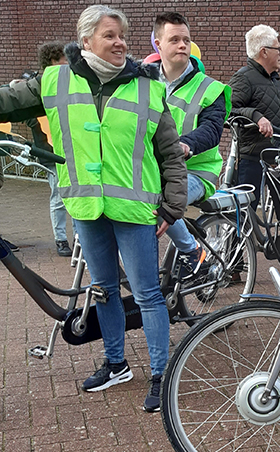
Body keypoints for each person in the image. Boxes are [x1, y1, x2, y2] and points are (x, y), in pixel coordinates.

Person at [0, 5, 187, 413]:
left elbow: (171, 154)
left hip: (136, 211)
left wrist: (173, 206)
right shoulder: (53, 80)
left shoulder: (148, 86)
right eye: (110, 35)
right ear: (86, 41)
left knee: (147, 293)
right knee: (103, 290)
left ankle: (161, 373)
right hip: (86, 207)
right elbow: (5, 101)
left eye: (123, 35)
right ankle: (117, 363)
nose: (120, 42)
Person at [153, 12, 231, 279]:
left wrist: (185, 145)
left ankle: (192, 250)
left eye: (186, 39)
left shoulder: (210, 88)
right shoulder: (144, 82)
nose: (182, 45)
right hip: (153, 170)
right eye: (174, 39)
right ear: (158, 44)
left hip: (196, 172)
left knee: (157, 204)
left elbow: (211, 130)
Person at [229, 24, 280, 209]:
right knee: (245, 217)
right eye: (279, 49)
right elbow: (226, 112)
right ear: (264, 52)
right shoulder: (243, 78)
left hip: (279, 160)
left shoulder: (274, 81)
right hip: (252, 160)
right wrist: (256, 116)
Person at [30, 42, 75, 257]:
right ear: (52, 62)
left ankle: (79, 236)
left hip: (70, 152)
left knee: (76, 194)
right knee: (58, 196)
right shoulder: (40, 86)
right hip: (51, 153)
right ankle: (61, 239)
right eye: (63, 60)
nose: (68, 64)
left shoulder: (69, 84)